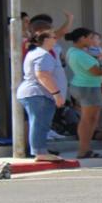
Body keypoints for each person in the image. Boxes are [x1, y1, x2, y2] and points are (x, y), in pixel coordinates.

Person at [16, 29, 68, 162]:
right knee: (40, 123)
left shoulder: (39, 53)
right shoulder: (42, 55)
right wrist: (56, 94)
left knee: (40, 122)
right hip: (38, 93)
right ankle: (40, 151)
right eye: (53, 37)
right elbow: (42, 75)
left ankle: (40, 150)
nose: (56, 39)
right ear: (45, 40)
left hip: (38, 94)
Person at [62, 28, 102, 159]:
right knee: (87, 120)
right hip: (88, 87)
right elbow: (96, 71)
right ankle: (83, 150)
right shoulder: (79, 54)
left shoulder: (74, 51)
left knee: (91, 119)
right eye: (90, 37)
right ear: (82, 38)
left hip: (85, 86)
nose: (93, 40)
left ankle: (86, 148)